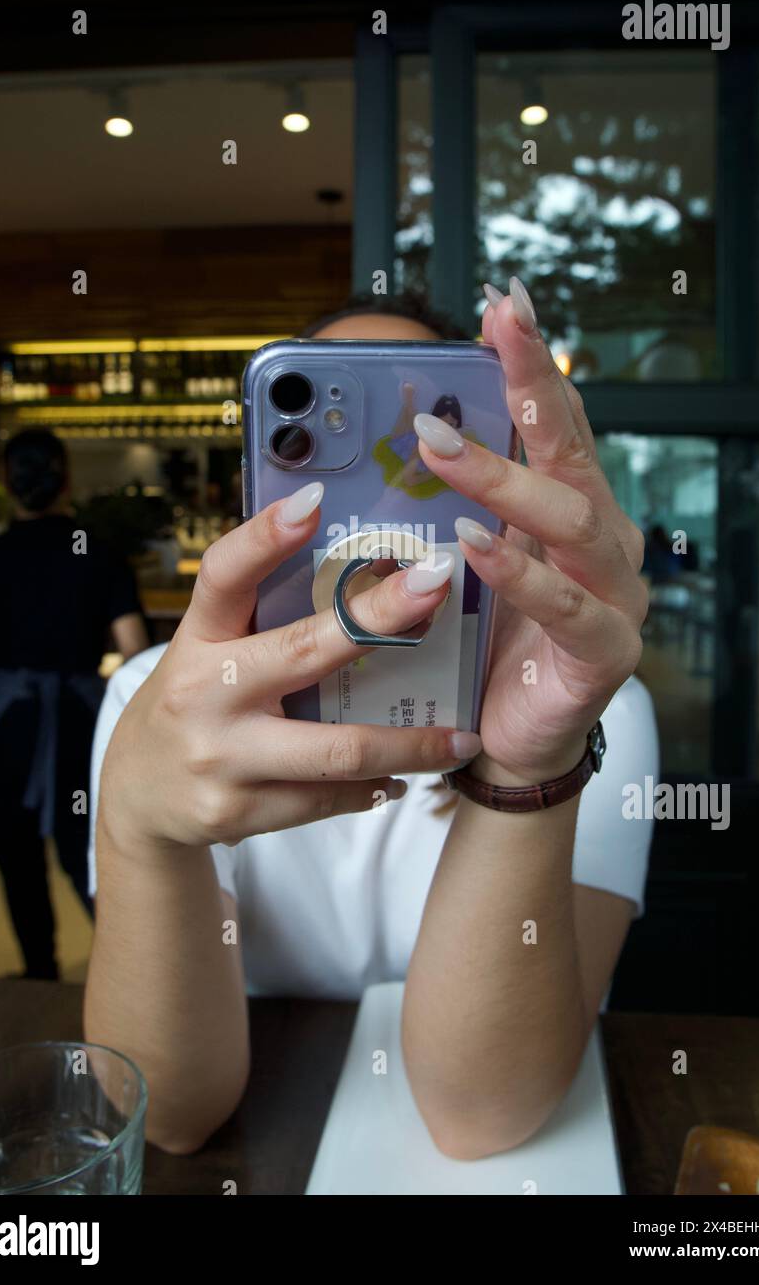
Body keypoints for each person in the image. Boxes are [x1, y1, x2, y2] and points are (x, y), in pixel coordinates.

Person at [86, 280, 658, 1160]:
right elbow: (166, 1115)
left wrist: (527, 761)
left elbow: (480, 1119)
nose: (387, 503)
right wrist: (137, 833)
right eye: (320, 454)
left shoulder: (592, 701)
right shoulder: (154, 705)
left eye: (430, 447)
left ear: (499, 483)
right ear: (259, 488)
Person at [0, 429, 149, 979]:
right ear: (66, 480)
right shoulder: (98, 551)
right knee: (86, 851)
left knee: (17, 860)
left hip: (9, 729)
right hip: (78, 725)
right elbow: (133, 651)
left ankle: (40, 975)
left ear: (8, 484)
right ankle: (127, 975)